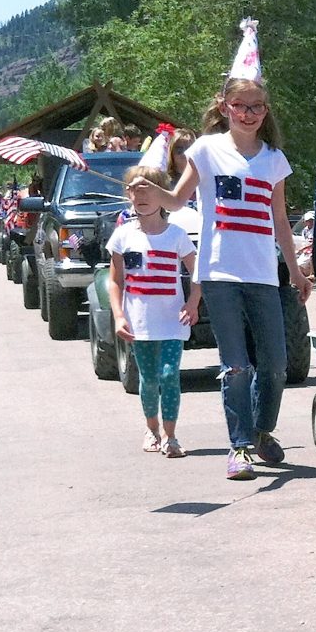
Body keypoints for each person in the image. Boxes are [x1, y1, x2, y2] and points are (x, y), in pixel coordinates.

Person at [129, 78, 313, 479]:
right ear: (224, 107)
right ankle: (240, 447)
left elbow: (280, 219)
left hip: (264, 272)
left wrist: (296, 271)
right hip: (218, 272)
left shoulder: (273, 159)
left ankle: (262, 431)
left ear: (266, 111)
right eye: (240, 105)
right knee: (236, 366)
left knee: (277, 365)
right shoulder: (206, 151)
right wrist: (151, 193)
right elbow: (178, 200)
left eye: (257, 106)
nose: (248, 114)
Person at [106, 166, 200, 458]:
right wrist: (120, 315)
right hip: (140, 322)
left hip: (172, 321)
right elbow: (115, 281)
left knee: (170, 374)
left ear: (163, 195)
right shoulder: (122, 236)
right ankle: (152, 429)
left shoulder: (176, 236)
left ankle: (171, 437)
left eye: (148, 189)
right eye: (135, 189)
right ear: (128, 195)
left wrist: (193, 302)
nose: (142, 196)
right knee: (148, 378)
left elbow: (197, 273)